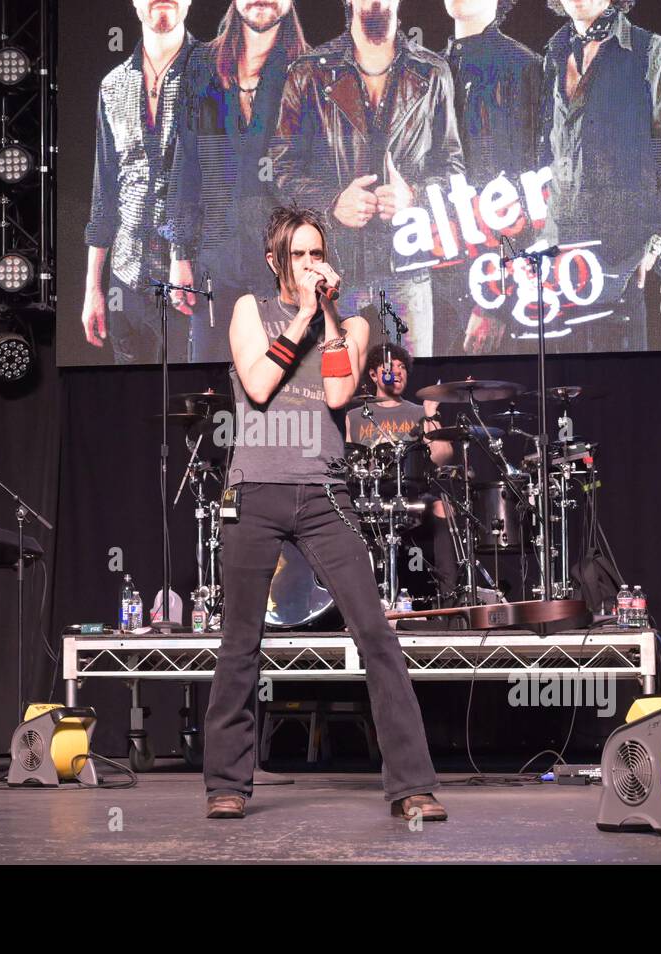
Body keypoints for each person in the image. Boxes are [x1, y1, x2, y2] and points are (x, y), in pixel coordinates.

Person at [203, 205, 445, 821]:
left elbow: (338, 391)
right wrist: (305, 315)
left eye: (318, 253)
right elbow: (257, 385)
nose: (311, 265)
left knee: (374, 632)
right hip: (253, 491)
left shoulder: (354, 324)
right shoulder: (248, 312)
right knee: (240, 643)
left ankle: (412, 786)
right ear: (275, 260)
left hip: (323, 493)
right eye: (299, 255)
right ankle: (227, 784)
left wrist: (329, 314)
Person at [271, 0, 465, 356]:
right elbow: (281, 170)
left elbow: (454, 170)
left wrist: (414, 197)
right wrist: (332, 203)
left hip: (407, 271)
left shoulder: (433, 71)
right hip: (335, 272)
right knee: (336, 392)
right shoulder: (308, 72)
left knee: (411, 394)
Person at [539, 0, 661, 348]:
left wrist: (653, 245)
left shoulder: (651, 52)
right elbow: (551, 157)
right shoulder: (553, 55)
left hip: (626, 262)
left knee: (619, 381)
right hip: (561, 265)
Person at [169, 0, 309, 362]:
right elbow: (185, 163)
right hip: (214, 262)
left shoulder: (308, 69)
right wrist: (179, 254)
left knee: (285, 398)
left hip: (283, 267)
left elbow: (314, 172)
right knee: (208, 389)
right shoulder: (200, 64)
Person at [83, 0, 199, 363]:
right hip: (127, 280)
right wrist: (93, 288)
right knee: (133, 406)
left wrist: (182, 252)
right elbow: (104, 189)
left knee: (193, 401)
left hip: (192, 280)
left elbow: (210, 175)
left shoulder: (213, 71)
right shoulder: (113, 85)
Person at [440, 0, 543, 354]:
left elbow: (531, 188)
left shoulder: (524, 67)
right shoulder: (430, 68)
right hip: (432, 275)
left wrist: (495, 298)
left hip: (492, 282)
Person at [345, 344, 458, 600]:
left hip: (413, 496)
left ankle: (448, 600)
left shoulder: (420, 412)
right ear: (374, 375)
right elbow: (350, 464)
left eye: (402, 367)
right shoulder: (354, 415)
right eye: (389, 367)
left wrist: (431, 414)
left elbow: (442, 457)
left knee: (443, 507)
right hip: (370, 496)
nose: (397, 372)